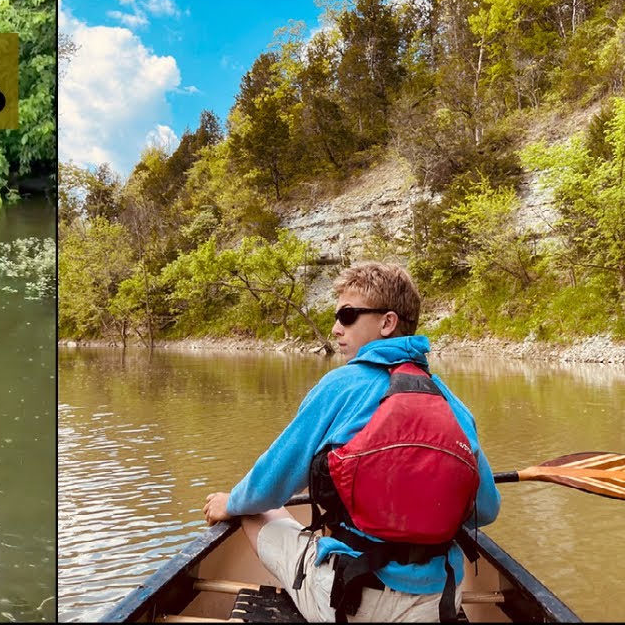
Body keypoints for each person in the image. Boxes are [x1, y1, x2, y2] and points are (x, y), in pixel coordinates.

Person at [202, 262, 500, 623]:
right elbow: (486, 510)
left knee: (254, 512)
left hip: (350, 603)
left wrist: (230, 502)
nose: (336, 328)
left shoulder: (340, 385)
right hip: (436, 605)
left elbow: (269, 484)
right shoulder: (452, 404)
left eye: (347, 315)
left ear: (387, 322)